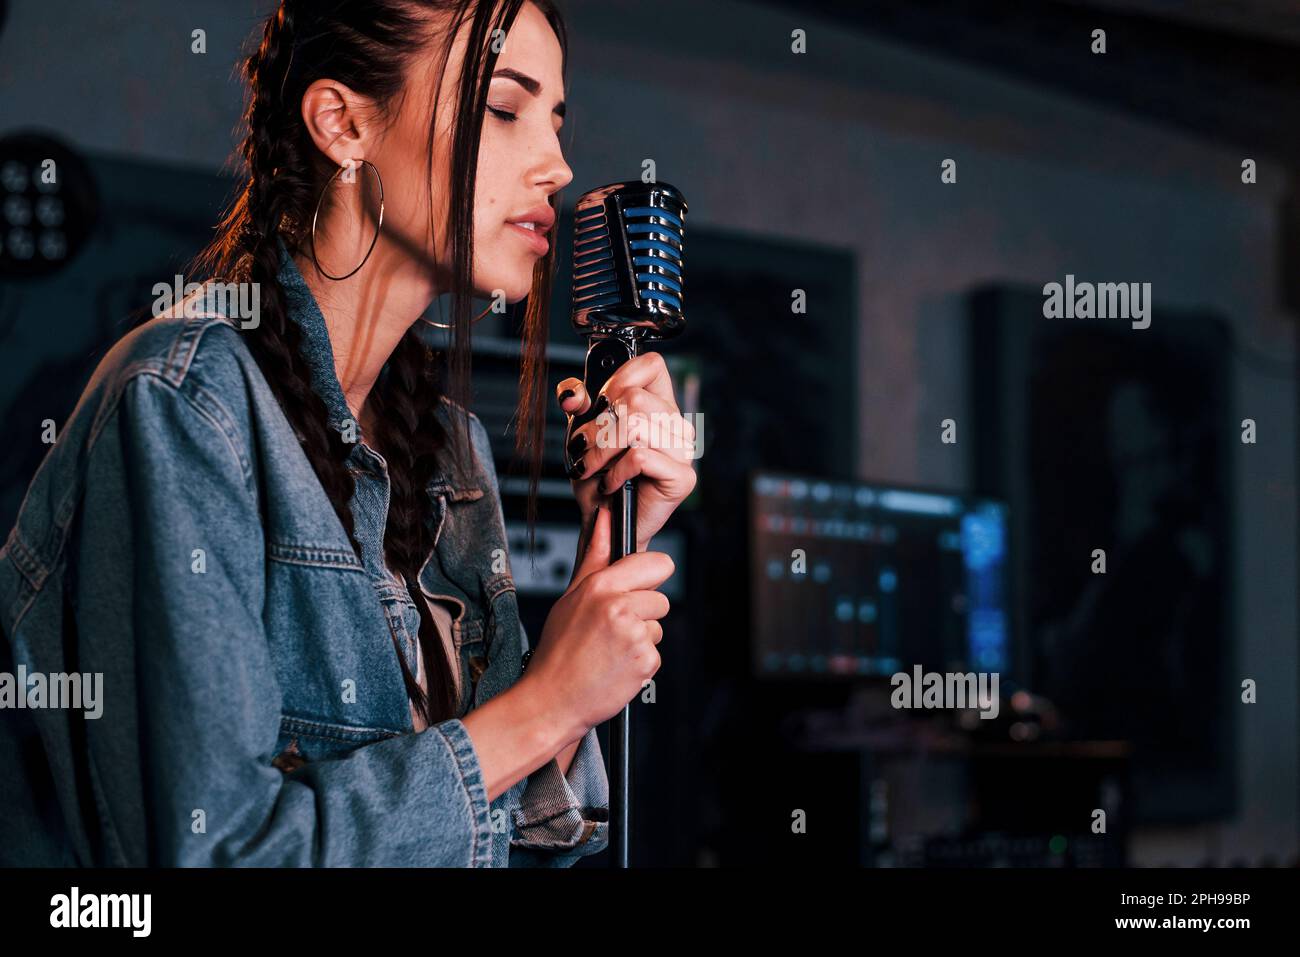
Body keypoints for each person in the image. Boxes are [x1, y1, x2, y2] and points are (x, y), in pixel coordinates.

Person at [0, 0, 697, 866]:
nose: (556, 166)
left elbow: (503, 827)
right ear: (344, 123)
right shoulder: (183, 402)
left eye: (556, 120)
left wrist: (603, 554)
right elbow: (218, 852)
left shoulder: (449, 451)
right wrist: (549, 702)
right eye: (505, 110)